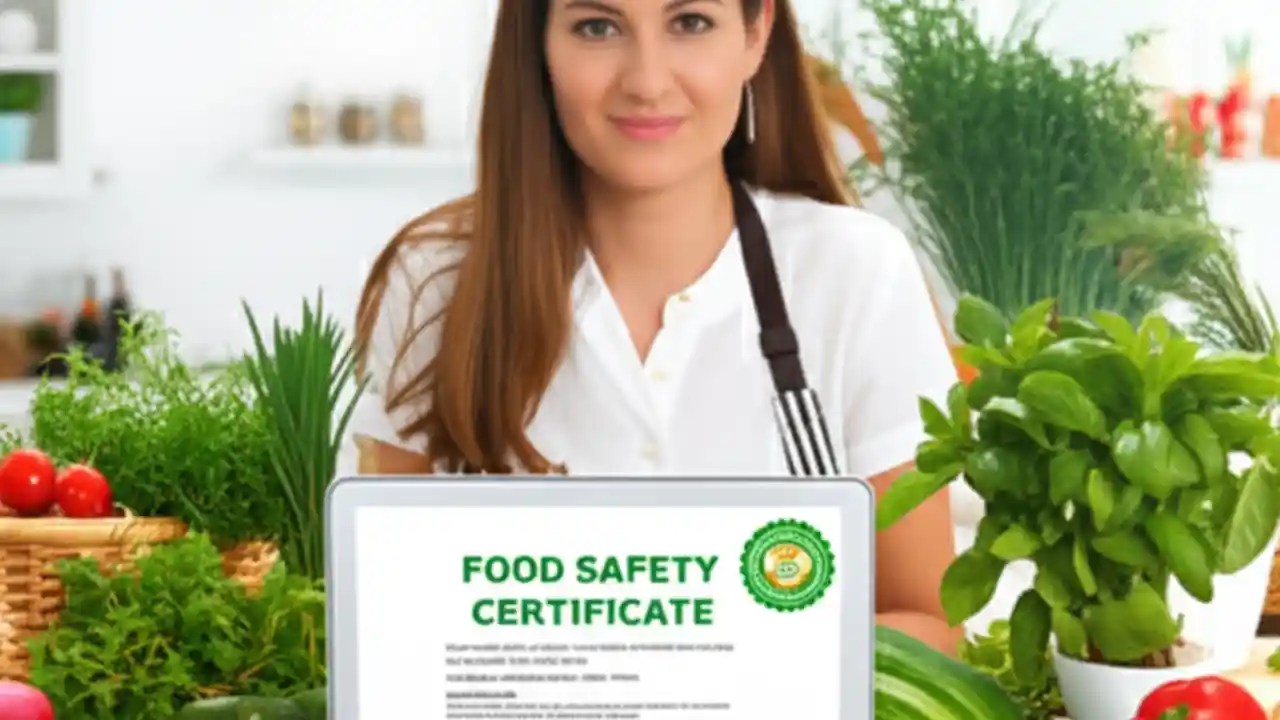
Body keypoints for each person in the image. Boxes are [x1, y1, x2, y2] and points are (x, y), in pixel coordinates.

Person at [350, 0, 963, 655]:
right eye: (598, 27)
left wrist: (719, 673)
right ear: (539, 48)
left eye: (690, 22)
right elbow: (390, 619)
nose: (646, 81)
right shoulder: (436, 282)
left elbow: (928, 623)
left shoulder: (856, 272)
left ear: (756, 37)